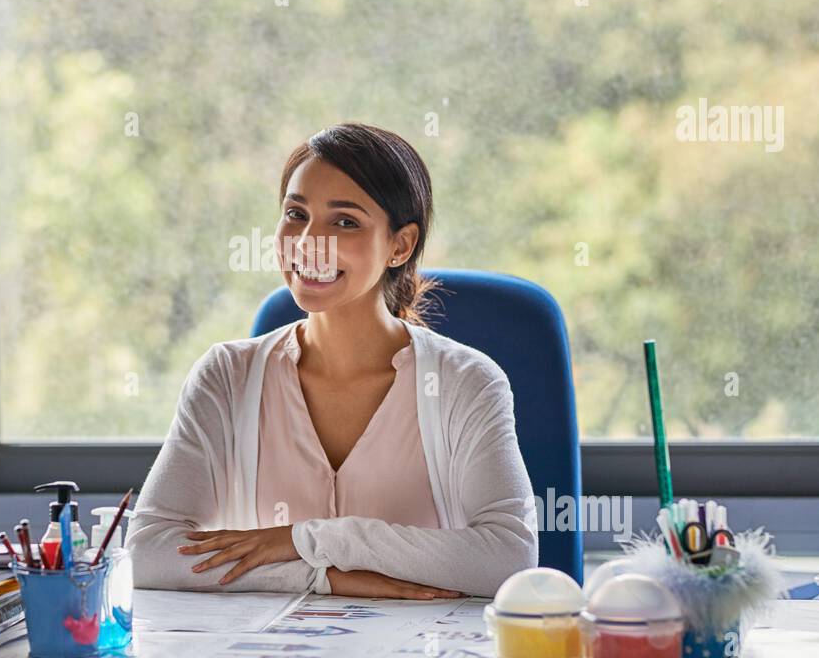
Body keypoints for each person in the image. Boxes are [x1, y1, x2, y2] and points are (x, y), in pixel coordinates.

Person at [127, 122, 538, 598]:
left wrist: (308, 539)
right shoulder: (226, 376)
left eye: (345, 222)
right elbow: (148, 552)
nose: (307, 244)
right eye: (296, 214)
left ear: (400, 246)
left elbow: (508, 560)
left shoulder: (466, 383)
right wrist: (321, 576)